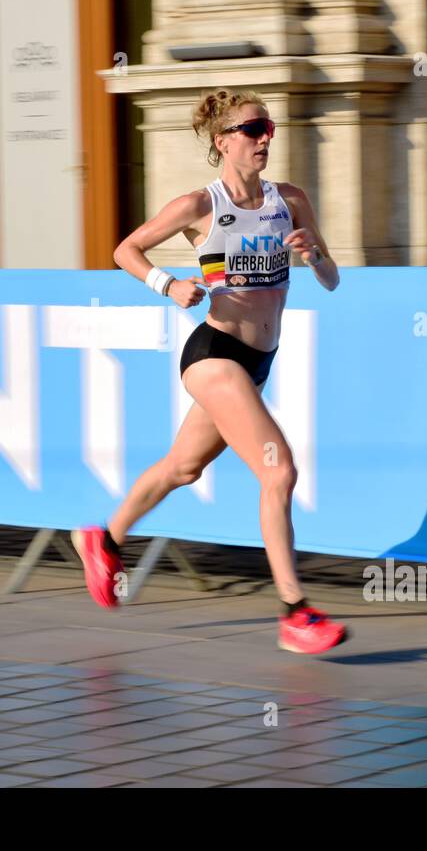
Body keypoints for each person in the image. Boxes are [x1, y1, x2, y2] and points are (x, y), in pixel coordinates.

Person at [72, 89, 348, 654]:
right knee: (279, 472)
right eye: (253, 129)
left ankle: (103, 537)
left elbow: (331, 279)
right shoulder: (200, 204)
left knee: (183, 468)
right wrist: (167, 284)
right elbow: (126, 249)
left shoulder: (290, 200)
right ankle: (295, 612)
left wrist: (313, 255)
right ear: (224, 141)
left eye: (268, 126)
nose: (266, 137)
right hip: (213, 355)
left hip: (256, 363)